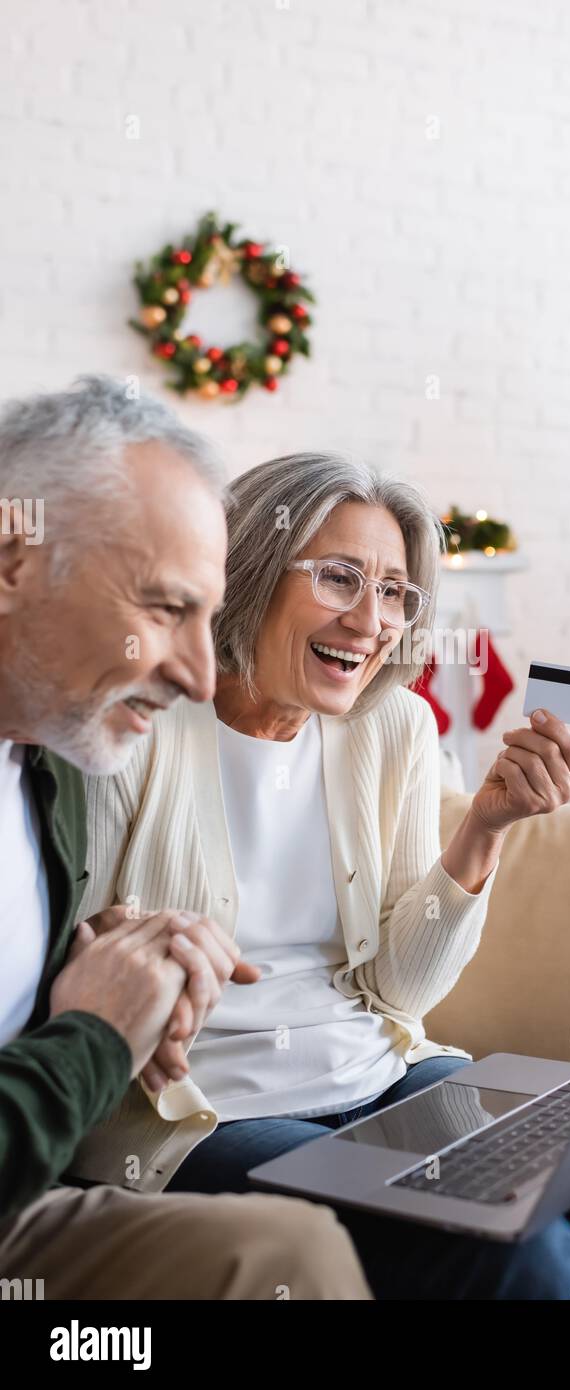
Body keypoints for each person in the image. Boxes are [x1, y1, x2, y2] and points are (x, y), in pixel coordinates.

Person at [77, 449, 570, 1300]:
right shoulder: (140, 721)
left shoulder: (390, 726)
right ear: (247, 568)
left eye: (395, 591)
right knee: (521, 1261)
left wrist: (484, 827)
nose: (372, 619)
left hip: (385, 1074)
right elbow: (71, 962)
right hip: (203, 1115)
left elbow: (400, 993)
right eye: (338, 578)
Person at [0, 377, 371, 1300]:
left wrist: (138, 964)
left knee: (294, 1255)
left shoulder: (55, 765)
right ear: (13, 560)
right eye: (164, 609)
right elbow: (77, 1054)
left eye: (207, 617)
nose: (202, 677)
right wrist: (94, 1037)